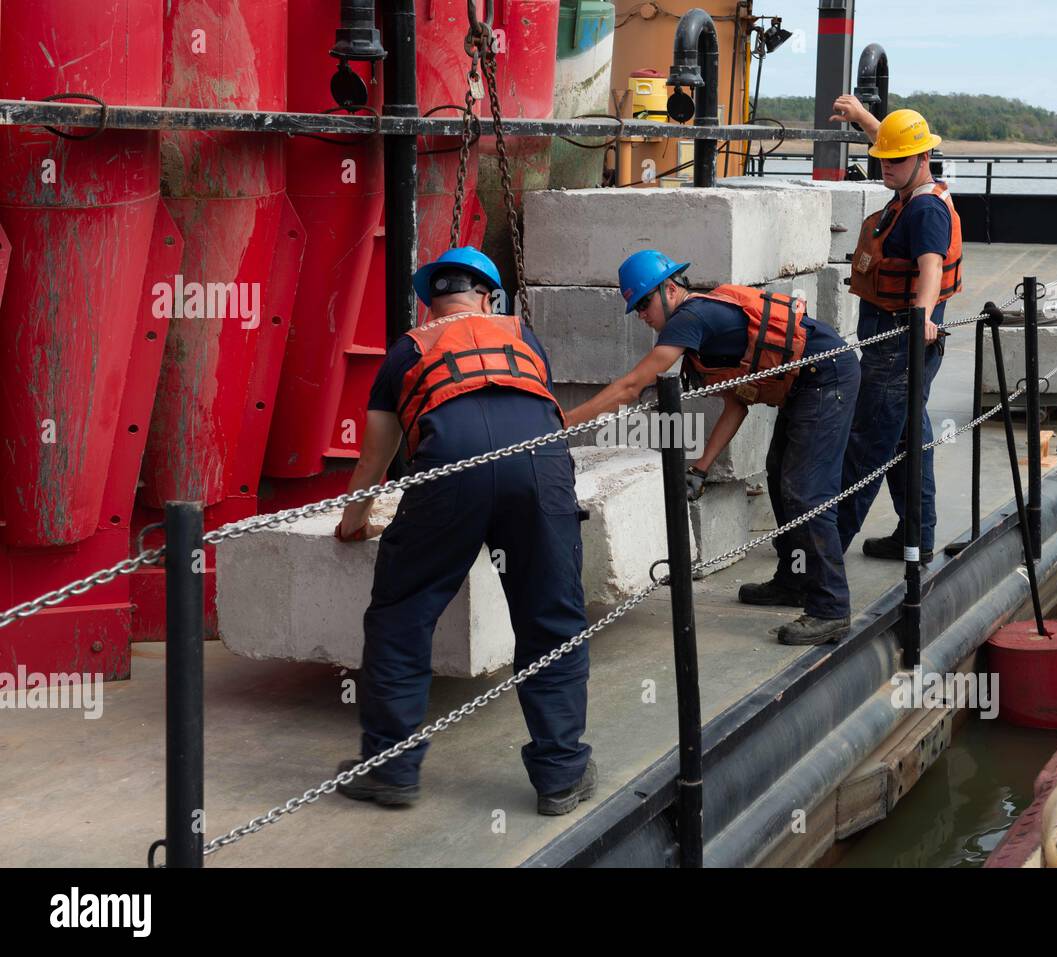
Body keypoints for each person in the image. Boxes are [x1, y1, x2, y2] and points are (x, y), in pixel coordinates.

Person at [333, 246, 596, 815]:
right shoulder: (523, 338)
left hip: (451, 474)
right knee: (551, 617)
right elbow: (532, 408)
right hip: (540, 467)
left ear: (430, 304)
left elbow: (375, 456)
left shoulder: (409, 348)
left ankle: (392, 771)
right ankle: (560, 776)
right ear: (488, 297)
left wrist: (354, 520)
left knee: (402, 616)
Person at [566, 250, 861, 646]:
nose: (642, 315)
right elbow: (738, 401)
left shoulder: (690, 319)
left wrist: (564, 422)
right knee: (780, 478)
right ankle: (795, 580)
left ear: (670, 289)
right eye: (635, 309)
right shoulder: (705, 330)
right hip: (808, 382)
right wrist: (701, 468)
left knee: (806, 492)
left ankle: (831, 608)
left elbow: (631, 386)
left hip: (827, 377)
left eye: (644, 303)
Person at [827, 103, 964, 563]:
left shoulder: (925, 211)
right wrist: (864, 117)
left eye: (897, 161)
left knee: (864, 448)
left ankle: (818, 564)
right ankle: (916, 537)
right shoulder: (912, 185)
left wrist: (921, 318)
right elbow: (893, 144)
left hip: (899, 344)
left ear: (923, 159)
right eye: (882, 158)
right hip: (900, 344)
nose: (886, 167)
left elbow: (930, 268)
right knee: (908, 440)